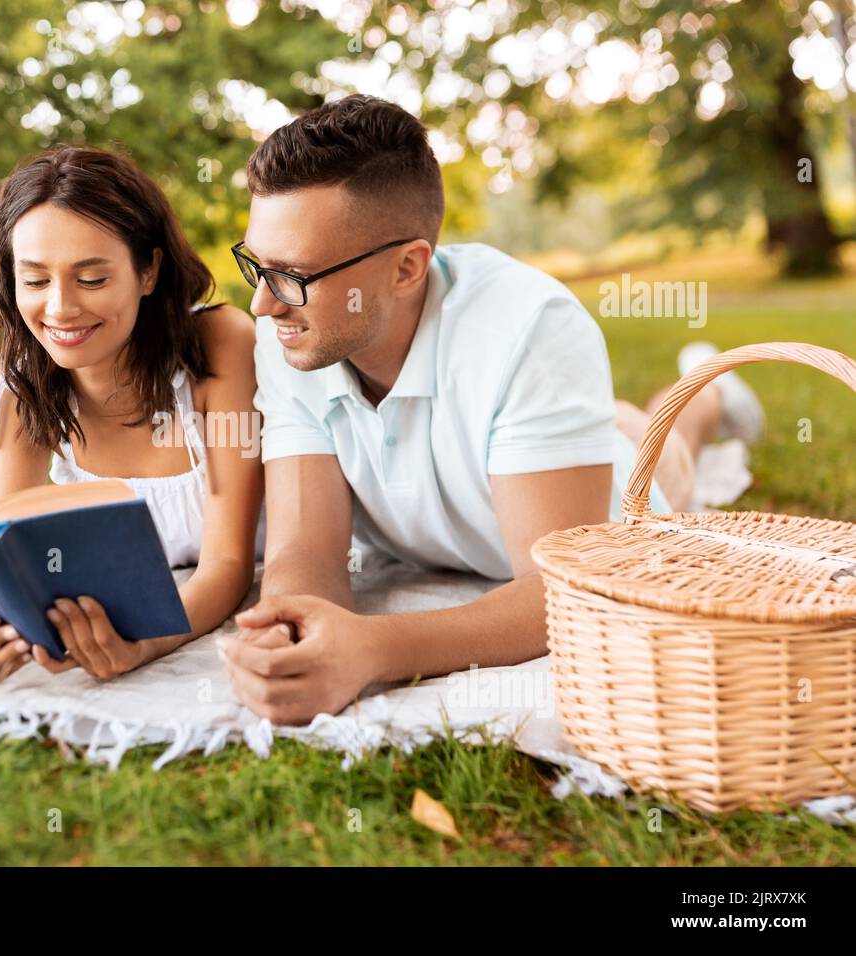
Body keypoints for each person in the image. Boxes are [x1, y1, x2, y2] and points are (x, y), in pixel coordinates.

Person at [218, 94, 764, 725]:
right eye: (257, 266)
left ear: (406, 268)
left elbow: (561, 589)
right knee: (606, 419)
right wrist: (284, 630)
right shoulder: (295, 334)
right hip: (515, 440)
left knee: (665, 449)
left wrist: (372, 649)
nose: (261, 305)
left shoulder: (531, 327)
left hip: (611, 491)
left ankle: (709, 393)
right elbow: (306, 551)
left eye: (293, 275)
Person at [0, 146, 264, 686]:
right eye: (36, 281)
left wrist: (142, 645)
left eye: (91, 280)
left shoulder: (221, 344)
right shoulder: (26, 373)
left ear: (148, 271)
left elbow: (226, 568)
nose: (60, 308)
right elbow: (4, 545)